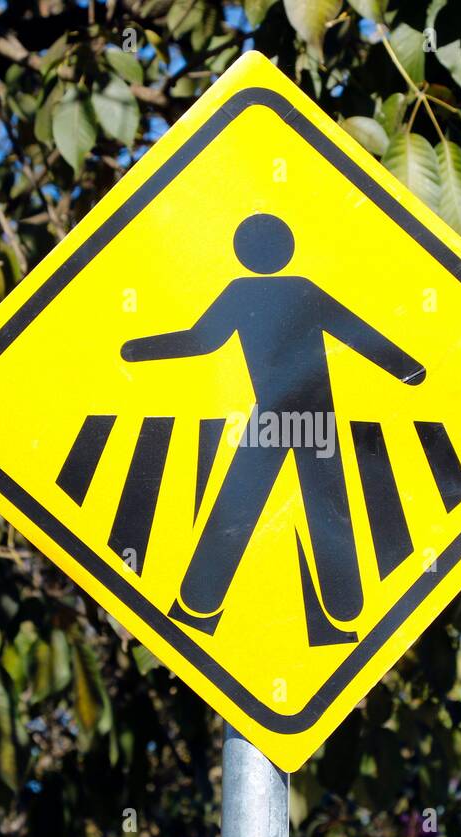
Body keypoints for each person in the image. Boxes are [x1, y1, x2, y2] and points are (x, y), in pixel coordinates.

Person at [121, 214, 426, 641]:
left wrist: (139, 350)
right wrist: (407, 369)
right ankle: (343, 599)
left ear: (244, 253)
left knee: (244, 498)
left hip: (275, 412)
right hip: (314, 413)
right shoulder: (301, 289)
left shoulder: (242, 291)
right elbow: (357, 333)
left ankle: (204, 591)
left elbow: (200, 340)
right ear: (285, 249)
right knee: (322, 500)